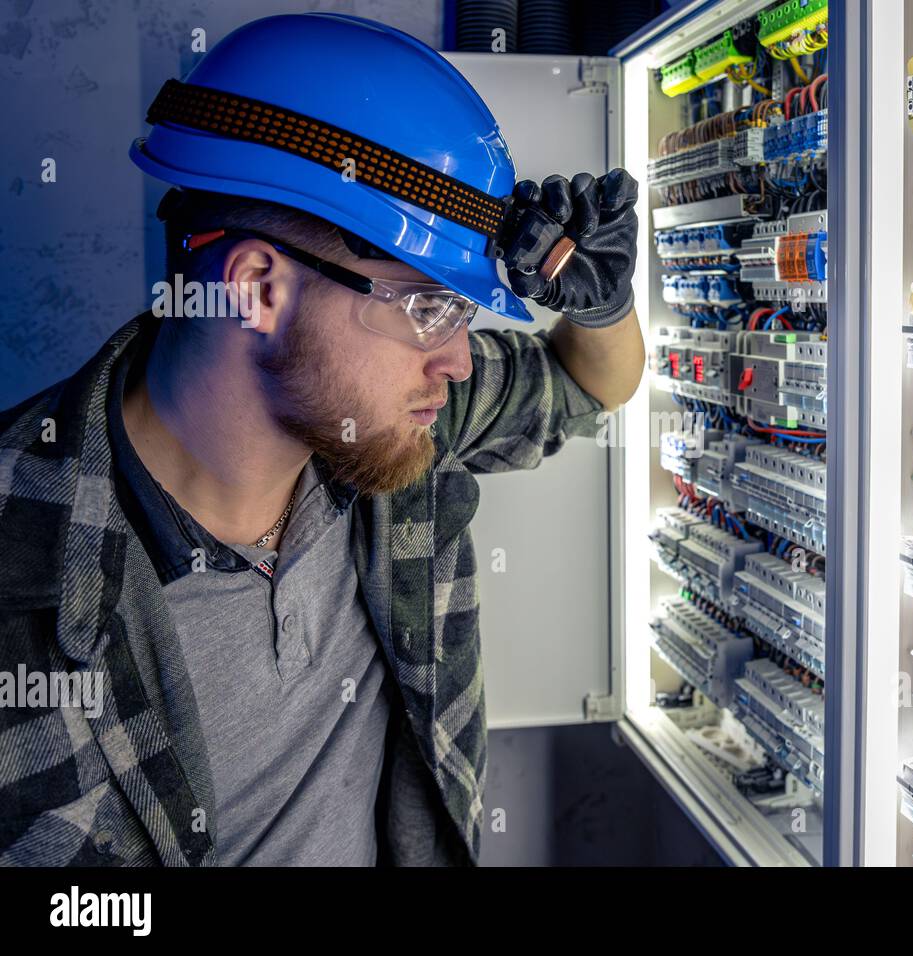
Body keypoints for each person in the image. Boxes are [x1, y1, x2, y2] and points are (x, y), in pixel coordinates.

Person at [0, 12, 643, 866]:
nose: (457, 359)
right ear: (258, 290)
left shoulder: (383, 430)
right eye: (428, 308)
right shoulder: (25, 582)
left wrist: (599, 305)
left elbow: (594, 383)